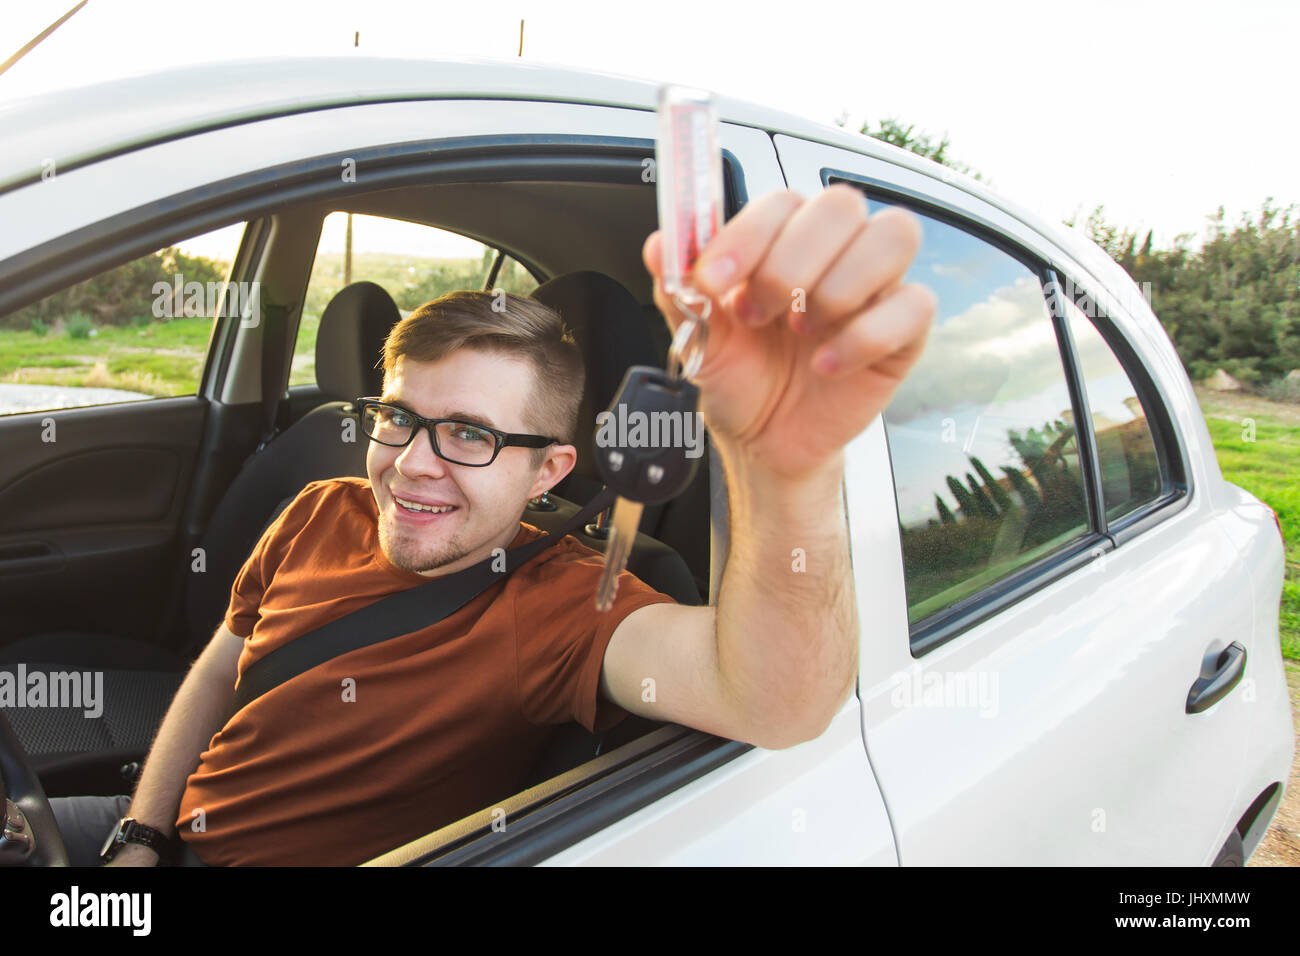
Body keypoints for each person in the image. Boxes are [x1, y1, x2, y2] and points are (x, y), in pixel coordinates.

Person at [56, 185, 935, 865]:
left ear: (549, 469)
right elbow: (220, 670)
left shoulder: (561, 604)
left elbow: (774, 703)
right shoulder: (322, 508)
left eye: (470, 434)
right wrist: (142, 836)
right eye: (397, 417)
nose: (411, 464)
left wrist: (789, 473)